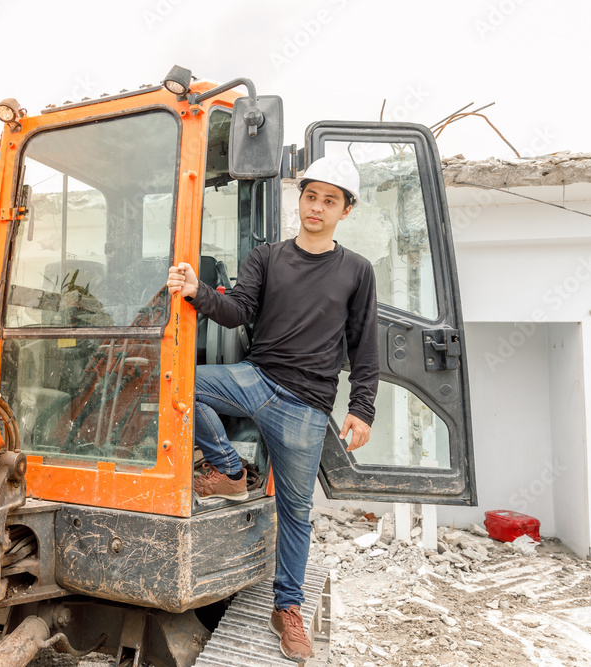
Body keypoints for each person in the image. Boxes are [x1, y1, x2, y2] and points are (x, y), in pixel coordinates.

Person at [166, 155, 379, 662]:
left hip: (307, 406)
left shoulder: (357, 271)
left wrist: (363, 407)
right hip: (255, 379)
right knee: (177, 387)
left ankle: (286, 607)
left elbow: (365, 345)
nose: (317, 207)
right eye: (311, 196)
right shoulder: (267, 258)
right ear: (300, 199)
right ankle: (228, 468)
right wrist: (198, 292)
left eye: (330, 200)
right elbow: (238, 310)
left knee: (296, 512)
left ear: (344, 211)